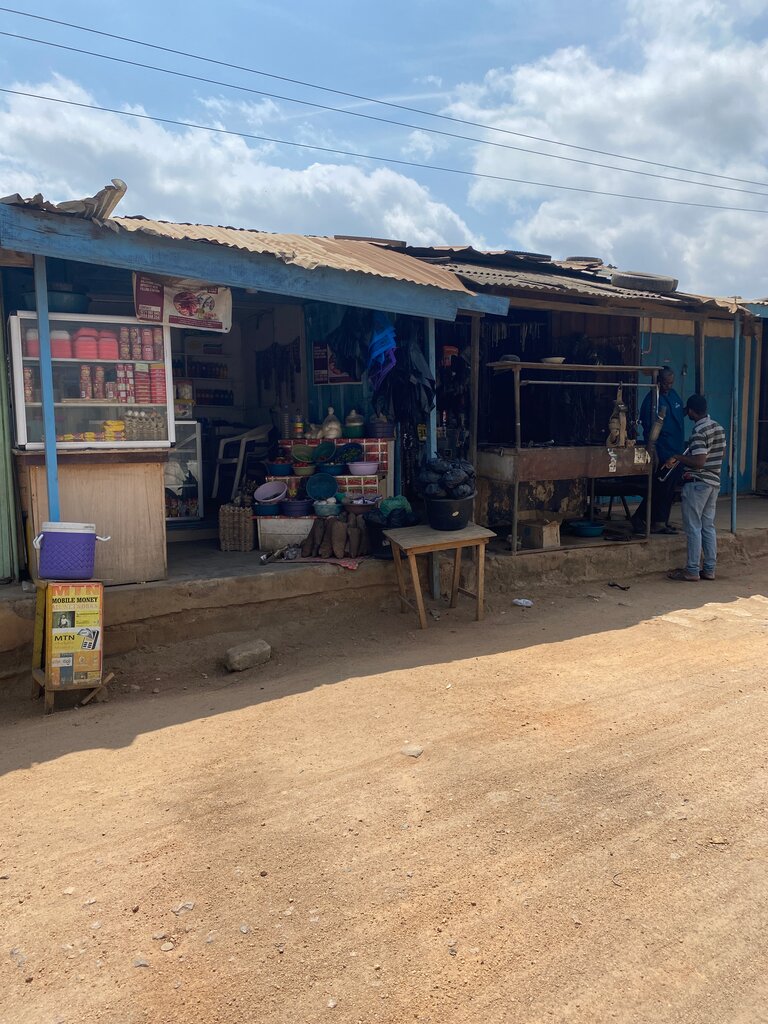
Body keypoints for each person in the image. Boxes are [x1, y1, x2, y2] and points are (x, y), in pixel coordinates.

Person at [664, 394, 726, 582]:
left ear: (691, 411)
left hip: (697, 483)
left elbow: (699, 461)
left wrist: (678, 457)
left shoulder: (698, 431)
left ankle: (692, 569)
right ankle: (709, 569)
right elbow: (720, 454)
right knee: (708, 527)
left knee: (693, 527)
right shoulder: (718, 428)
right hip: (713, 483)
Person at [632, 367, 685, 535]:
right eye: (666, 383)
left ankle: (661, 521)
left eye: (671, 383)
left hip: (677, 449)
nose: (669, 386)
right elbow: (650, 429)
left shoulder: (674, 395)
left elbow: (678, 415)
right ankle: (641, 517)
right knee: (660, 486)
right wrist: (655, 452)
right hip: (663, 451)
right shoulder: (651, 400)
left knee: (670, 489)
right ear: (659, 382)